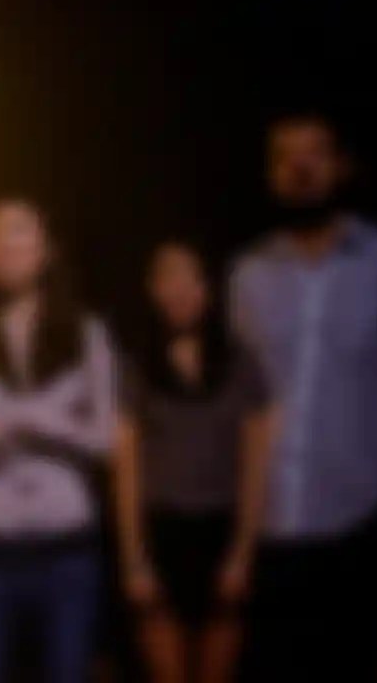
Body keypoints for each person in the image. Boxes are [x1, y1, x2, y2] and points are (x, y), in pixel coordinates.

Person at [230, 112, 377, 682]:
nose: (299, 167)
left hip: (363, 519)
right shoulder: (245, 275)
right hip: (266, 528)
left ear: (342, 166)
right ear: (271, 174)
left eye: (315, 152)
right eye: (284, 156)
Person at [0, 197, 117, 683]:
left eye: (20, 231)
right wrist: (0, 428)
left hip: (66, 553)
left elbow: (106, 441)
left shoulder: (87, 333)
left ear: (45, 250)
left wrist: (44, 421)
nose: (7, 243)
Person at [114, 241, 274, 683]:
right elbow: (126, 472)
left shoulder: (243, 363)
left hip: (223, 536)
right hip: (160, 537)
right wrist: (134, 561)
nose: (179, 288)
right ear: (152, 290)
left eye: (191, 276)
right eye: (167, 276)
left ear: (208, 288)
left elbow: (256, 466)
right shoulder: (136, 367)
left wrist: (242, 554)